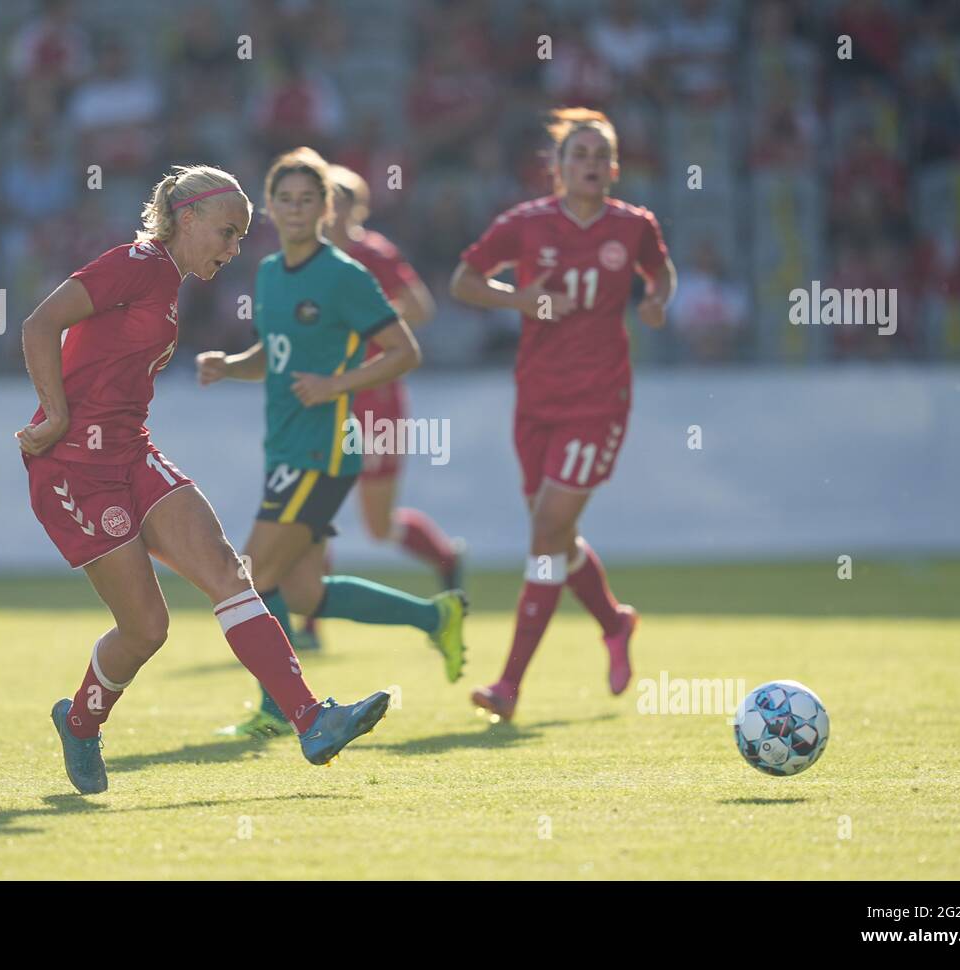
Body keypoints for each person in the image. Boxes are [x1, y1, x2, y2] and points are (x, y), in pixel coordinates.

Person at [17, 164, 391, 794]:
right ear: (186, 219)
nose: (234, 248)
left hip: (132, 455)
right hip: (74, 470)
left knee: (228, 572)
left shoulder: (167, 277)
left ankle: (311, 719)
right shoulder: (135, 263)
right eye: (227, 232)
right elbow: (39, 325)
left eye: (241, 236)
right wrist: (54, 414)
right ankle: (80, 721)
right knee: (147, 629)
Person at [196, 148, 468, 738]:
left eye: (307, 199)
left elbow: (405, 351)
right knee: (305, 593)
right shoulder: (269, 274)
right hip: (286, 448)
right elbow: (273, 356)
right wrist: (230, 364)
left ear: (326, 207)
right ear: (268, 207)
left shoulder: (345, 275)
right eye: (284, 199)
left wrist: (335, 385)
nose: (295, 210)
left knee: (248, 575)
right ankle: (435, 615)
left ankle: (280, 710)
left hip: (321, 453)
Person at [449, 108, 675, 721]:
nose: (591, 166)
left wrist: (654, 301)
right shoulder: (525, 225)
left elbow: (661, 273)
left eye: (602, 157)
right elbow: (465, 281)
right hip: (536, 402)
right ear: (557, 167)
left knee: (547, 530)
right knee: (557, 535)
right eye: (580, 156)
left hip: (598, 403)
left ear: (615, 169)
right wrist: (523, 299)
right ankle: (614, 620)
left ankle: (509, 685)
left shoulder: (632, 227)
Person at [286, 164, 464, 654]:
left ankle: (447, 560)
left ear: (354, 206)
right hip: (324, 400)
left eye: (339, 199)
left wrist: (371, 318)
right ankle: (310, 623)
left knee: (379, 526)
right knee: (311, 507)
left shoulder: (373, 254)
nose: (329, 208)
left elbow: (422, 308)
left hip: (376, 400)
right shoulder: (307, 259)